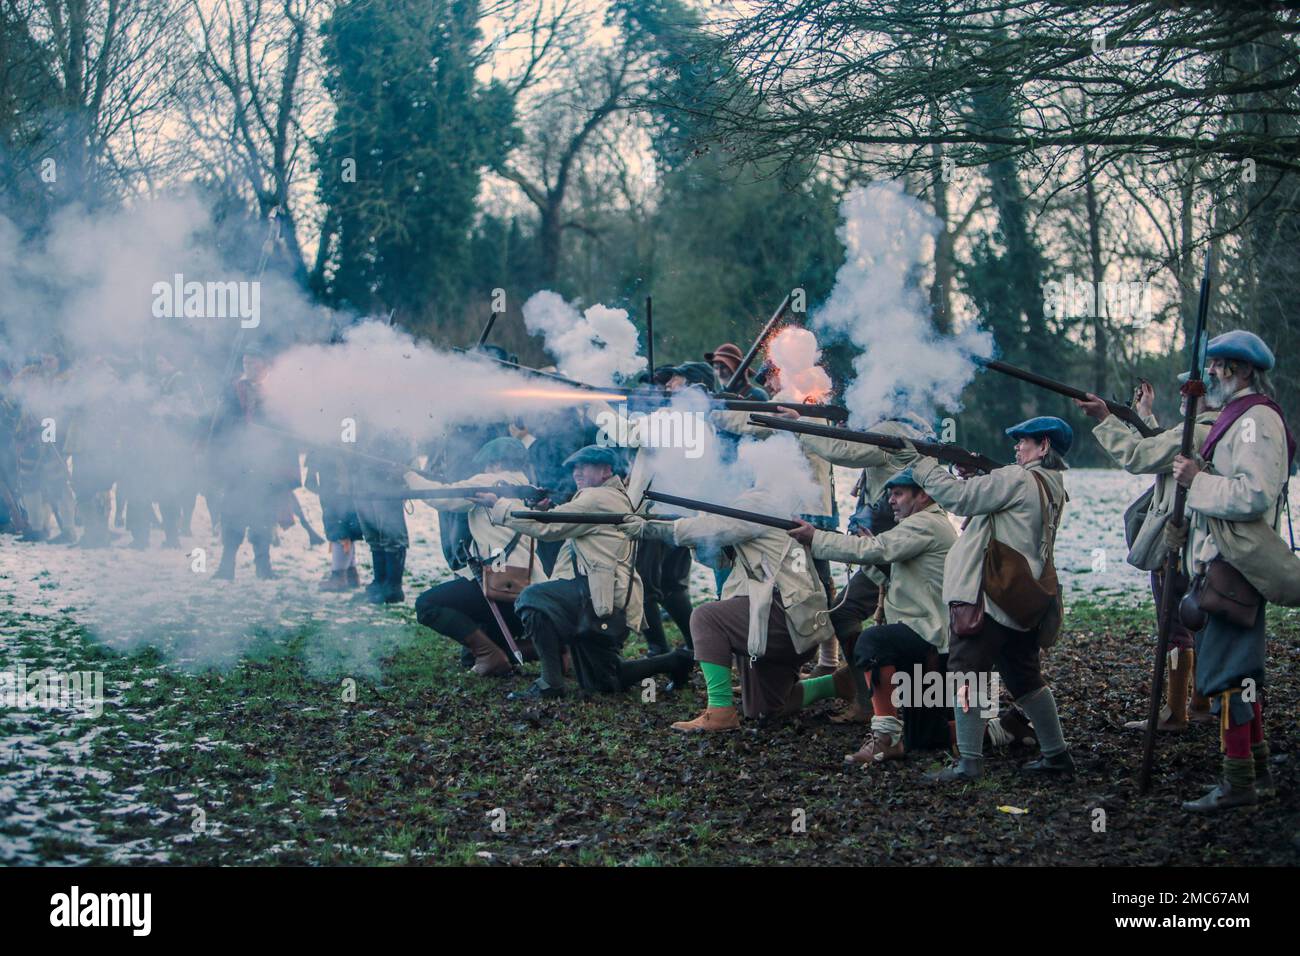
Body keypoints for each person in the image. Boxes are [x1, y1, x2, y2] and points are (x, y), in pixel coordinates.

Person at [890, 416, 1073, 783]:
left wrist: (922, 464)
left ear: (1044, 446)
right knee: (1026, 680)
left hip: (986, 596)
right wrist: (975, 476)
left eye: (1024, 441)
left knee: (964, 678)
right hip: (1021, 599)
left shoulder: (1017, 478)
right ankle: (1056, 754)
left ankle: (969, 763)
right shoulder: (1052, 484)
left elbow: (959, 498)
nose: (1017, 448)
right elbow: (992, 503)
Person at [1171, 331, 1292, 812]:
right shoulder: (1240, 417)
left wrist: (1197, 481)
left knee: (1229, 675)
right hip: (1225, 560)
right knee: (1241, 674)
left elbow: (1253, 493)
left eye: (1220, 365)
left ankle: (1236, 783)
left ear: (1243, 371)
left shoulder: (1254, 421)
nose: (1212, 373)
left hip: (1235, 563)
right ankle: (1255, 771)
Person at [628, 487, 850, 733]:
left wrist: (654, 529)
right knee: (765, 708)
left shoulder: (756, 502)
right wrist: (664, 525)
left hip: (782, 617)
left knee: (706, 617)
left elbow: (712, 529)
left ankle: (720, 711)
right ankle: (839, 684)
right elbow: (716, 555)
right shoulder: (756, 505)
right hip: (783, 621)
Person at [482, 445, 691, 700]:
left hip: (597, 597)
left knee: (532, 598)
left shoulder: (596, 497)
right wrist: (549, 510)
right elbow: (569, 527)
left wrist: (500, 506)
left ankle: (550, 683)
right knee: (604, 681)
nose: (577, 472)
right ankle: (675, 661)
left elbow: (549, 529)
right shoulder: (609, 496)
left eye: (584, 466)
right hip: (605, 595)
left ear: (606, 470)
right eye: (574, 468)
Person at [1076, 375, 1219, 731]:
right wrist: (1144, 415)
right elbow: (1163, 450)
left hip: (1178, 542)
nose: (1184, 397)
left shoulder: (1197, 431)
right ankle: (1200, 702)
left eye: (1191, 392)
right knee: (1200, 624)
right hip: (1203, 544)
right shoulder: (1216, 429)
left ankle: (1174, 713)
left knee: (1175, 629)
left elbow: (1141, 457)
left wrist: (1105, 419)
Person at [791, 467, 956, 765]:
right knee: (925, 738)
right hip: (929, 637)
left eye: (899, 494)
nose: (891, 501)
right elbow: (890, 570)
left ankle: (885, 736)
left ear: (924, 495)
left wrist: (816, 538)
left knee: (872, 642)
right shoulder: (924, 523)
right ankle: (1005, 729)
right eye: (890, 494)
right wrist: (861, 548)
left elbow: (878, 550)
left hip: (931, 638)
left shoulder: (924, 524)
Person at [412, 437, 547, 677]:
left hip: (501, 582)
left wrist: (406, 475)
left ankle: (490, 656)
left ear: (494, 463)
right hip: (528, 585)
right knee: (479, 647)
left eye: (486, 465)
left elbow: (440, 497)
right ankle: (551, 650)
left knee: (426, 605)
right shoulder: (528, 487)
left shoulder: (488, 481)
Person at [211, 346, 298, 580]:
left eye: (253, 364)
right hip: (238, 463)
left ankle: (264, 567)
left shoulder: (277, 393)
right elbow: (221, 424)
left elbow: (286, 427)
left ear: (265, 366)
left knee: (263, 517)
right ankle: (226, 567)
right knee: (232, 515)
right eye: (246, 364)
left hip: (267, 464)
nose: (248, 368)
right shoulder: (232, 390)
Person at [305, 446, 363, 591]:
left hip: (338, 490)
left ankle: (339, 577)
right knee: (343, 532)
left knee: (340, 532)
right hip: (338, 488)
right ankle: (350, 574)